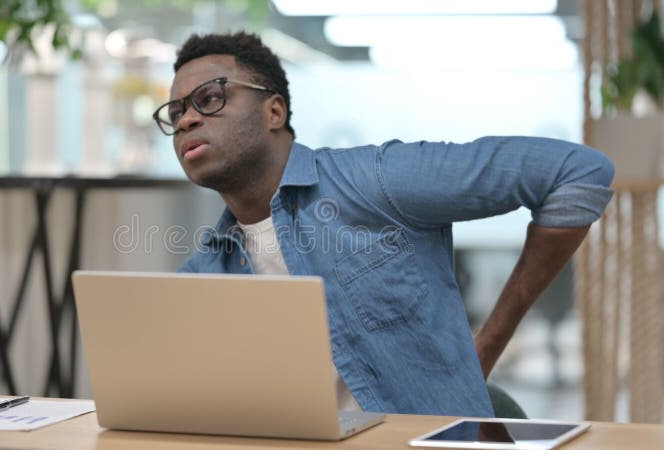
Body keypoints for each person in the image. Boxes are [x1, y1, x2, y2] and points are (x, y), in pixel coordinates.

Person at [154, 31, 614, 417]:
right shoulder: (205, 273)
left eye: (209, 98)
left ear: (273, 112)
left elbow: (577, 171)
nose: (188, 119)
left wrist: (488, 343)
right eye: (175, 114)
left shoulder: (376, 180)